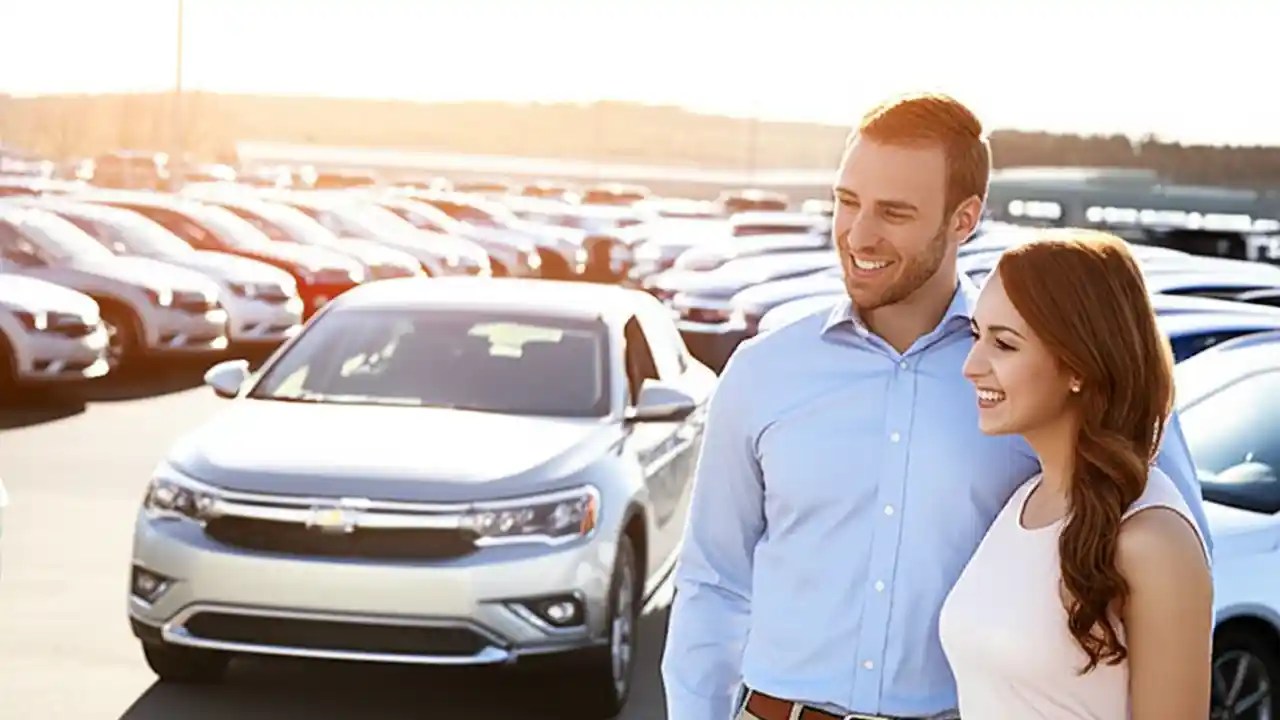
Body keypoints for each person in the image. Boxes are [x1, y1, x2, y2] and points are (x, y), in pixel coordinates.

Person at [659, 92, 1212, 720]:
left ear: (963, 218)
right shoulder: (764, 371)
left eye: (893, 212)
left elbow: (1175, 569)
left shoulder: (1035, 374)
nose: (859, 234)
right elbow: (713, 582)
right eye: (846, 201)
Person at [939, 232, 1212, 717]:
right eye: (976, 336)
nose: (971, 366)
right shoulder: (1025, 502)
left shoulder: (1152, 538)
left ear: (1078, 365)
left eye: (1003, 344)